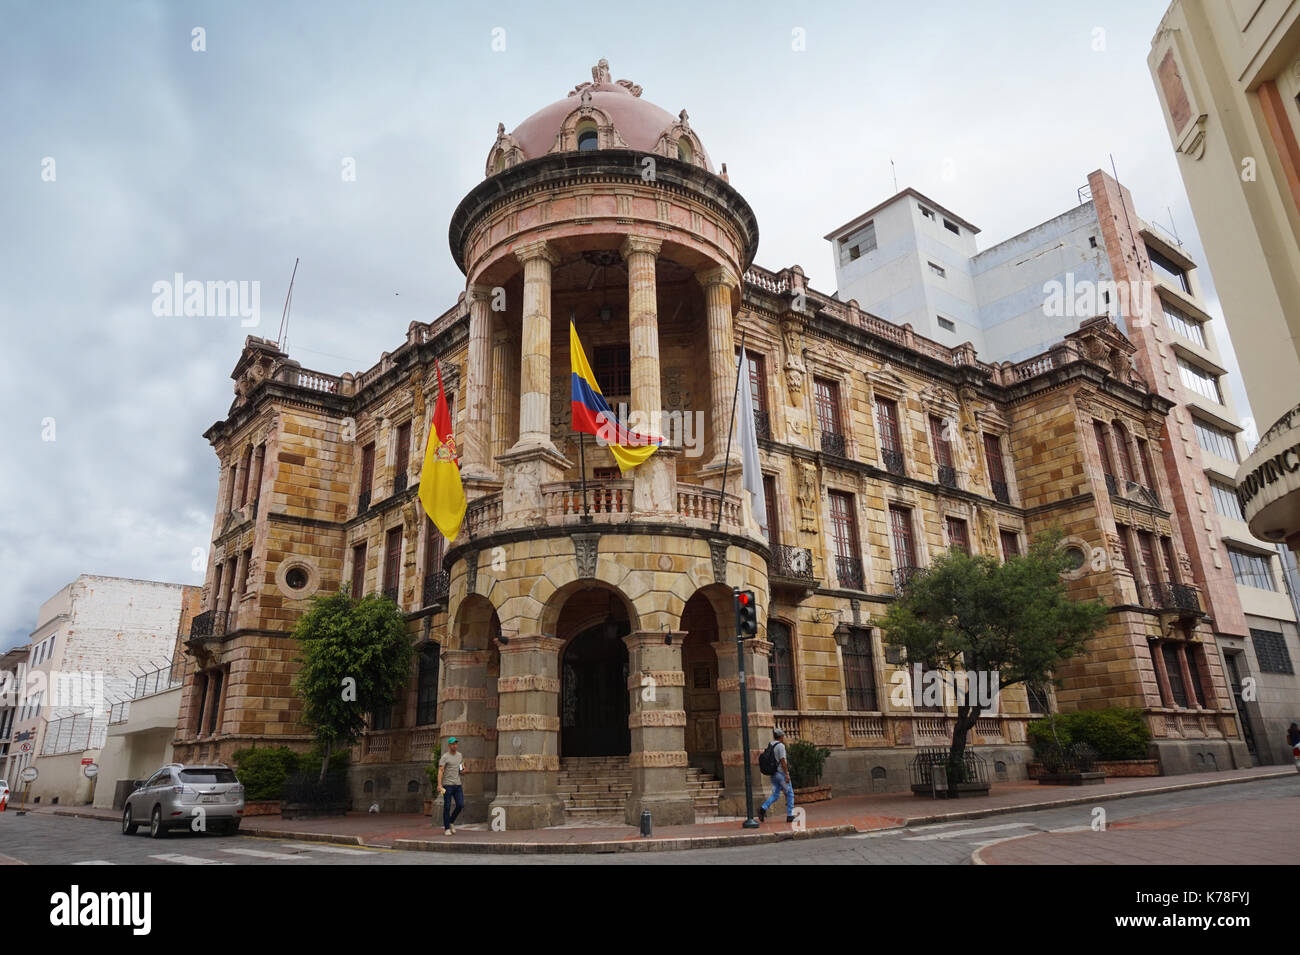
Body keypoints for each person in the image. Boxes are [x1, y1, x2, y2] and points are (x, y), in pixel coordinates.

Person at [758, 728, 795, 823]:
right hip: (781, 773)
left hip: (773, 774)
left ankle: (763, 808)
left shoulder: (771, 744)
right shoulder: (780, 746)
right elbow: (783, 761)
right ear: (781, 736)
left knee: (776, 794)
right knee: (790, 793)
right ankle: (790, 815)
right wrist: (787, 774)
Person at [437, 737, 466, 835]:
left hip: (457, 785)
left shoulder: (460, 755)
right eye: (453, 744)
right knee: (447, 806)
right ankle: (446, 828)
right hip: (447, 785)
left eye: (456, 744)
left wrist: (463, 770)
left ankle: (451, 821)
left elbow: (461, 768)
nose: (455, 745)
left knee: (460, 804)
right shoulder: (445, 757)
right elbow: (441, 771)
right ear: (449, 746)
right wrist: (439, 785)